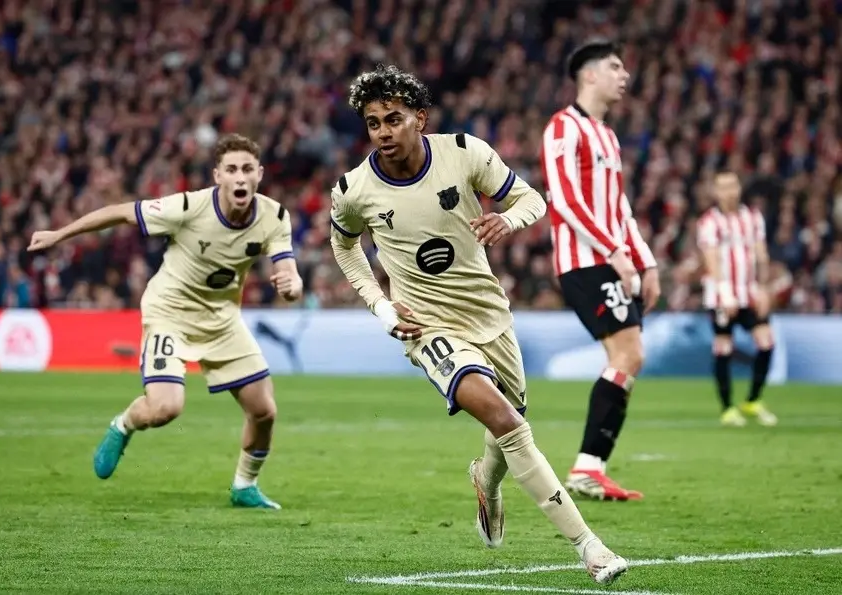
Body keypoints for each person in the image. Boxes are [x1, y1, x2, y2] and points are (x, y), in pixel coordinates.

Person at [330, 63, 627, 585]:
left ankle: (485, 481)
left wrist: (506, 219)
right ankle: (590, 547)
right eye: (373, 123)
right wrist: (380, 305)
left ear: (420, 118)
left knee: (508, 422)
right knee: (508, 422)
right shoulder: (354, 189)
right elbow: (345, 246)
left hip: (490, 315)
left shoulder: (465, 152)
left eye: (393, 119)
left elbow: (532, 199)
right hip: (428, 328)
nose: (383, 132)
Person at [27, 134, 302, 509]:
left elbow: (289, 273)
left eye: (247, 169)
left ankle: (244, 486)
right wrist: (60, 234)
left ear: (260, 174)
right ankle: (124, 424)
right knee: (165, 409)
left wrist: (293, 286)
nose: (240, 177)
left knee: (264, 411)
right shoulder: (188, 206)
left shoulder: (275, 216)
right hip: (169, 313)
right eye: (232, 169)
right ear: (218, 175)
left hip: (222, 320)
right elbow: (122, 212)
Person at [540, 40, 659, 502]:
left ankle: (591, 468)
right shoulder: (563, 127)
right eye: (615, 67)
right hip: (585, 261)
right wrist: (615, 252)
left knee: (628, 358)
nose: (624, 75)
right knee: (629, 354)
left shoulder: (607, 135)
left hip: (611, 259)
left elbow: (620, 208)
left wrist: (645, 260)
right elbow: (565, 200)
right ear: (589, 75)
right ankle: (587, 467)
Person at [697, 170, 777, 427]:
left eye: (732, 185)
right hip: (722, 296)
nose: (728, 192)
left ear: (739, 188)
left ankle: (752, 400)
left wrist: (763, 289)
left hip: (749, 293)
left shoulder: (752, 218)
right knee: (724, 346)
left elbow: (761, 255)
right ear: (715, 192)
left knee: (766, 342)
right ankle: (727, 408)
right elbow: (711, 259)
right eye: (723, 187)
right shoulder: (709, 222)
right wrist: (725, 293)